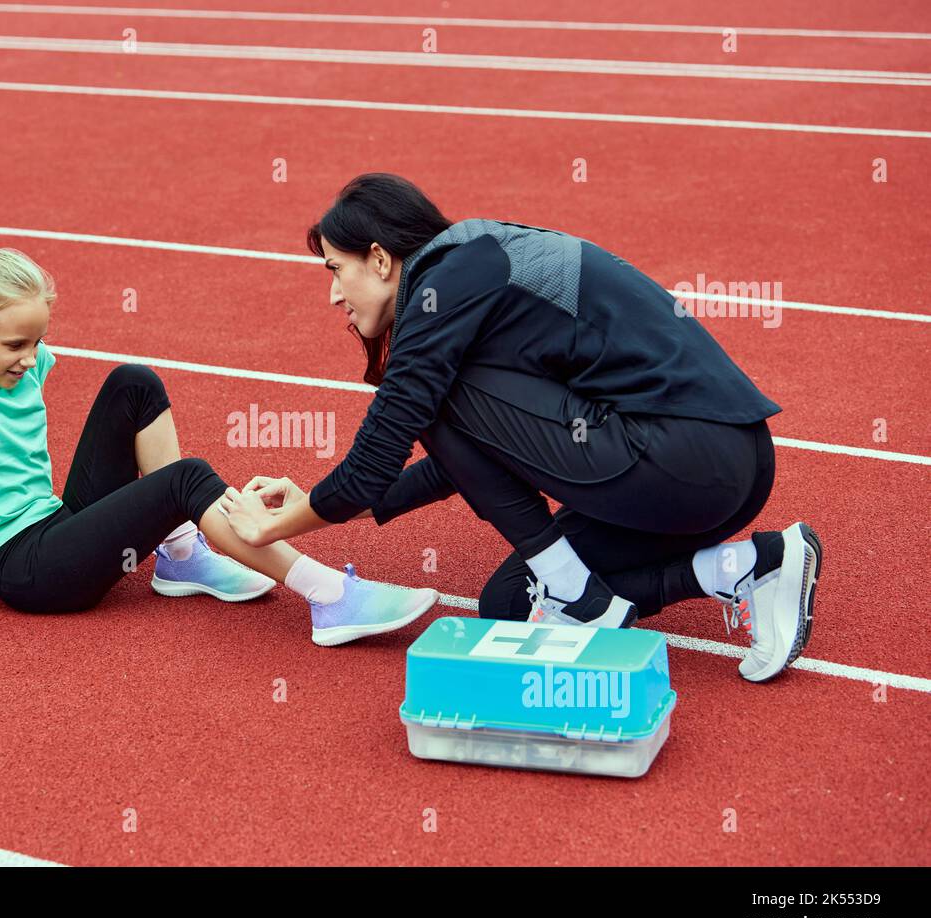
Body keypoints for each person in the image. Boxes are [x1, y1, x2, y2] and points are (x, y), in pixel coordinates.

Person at [220, 174, 822, 682]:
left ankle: (574, 595)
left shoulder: (449, 281)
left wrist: (280, 525)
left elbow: (383, 449)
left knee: (426, 394)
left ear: (379, 259)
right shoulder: (472, 266)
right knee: (507, 602)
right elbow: (476, 452)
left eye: (334, 269)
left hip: (688, 455)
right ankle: (754, 566)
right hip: (718, 469)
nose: (332, 296)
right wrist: (328, 502)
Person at [0, 248, 437, 648]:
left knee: (133, 383)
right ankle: (329, 597)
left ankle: (179, 556)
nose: (32, 360)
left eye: (38, 341)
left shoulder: (18, 358)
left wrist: (24, 355)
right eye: (14, 347)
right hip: (26, 572)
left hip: (53, 522)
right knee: (185, 479)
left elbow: (56, 393)